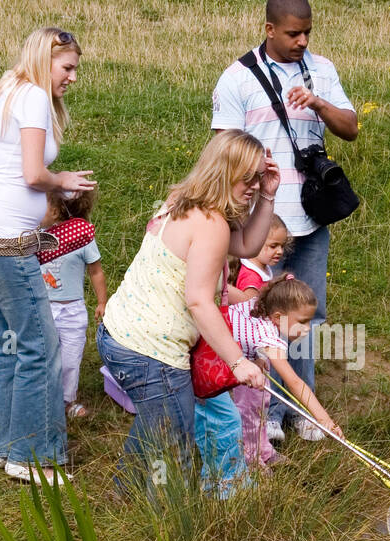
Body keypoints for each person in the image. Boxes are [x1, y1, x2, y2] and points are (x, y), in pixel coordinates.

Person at [211, 0, 358, 446]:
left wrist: (317, 103)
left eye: (308, 33)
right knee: (257, 317)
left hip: (310, 219)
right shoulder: (236, 80)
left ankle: (303, 407)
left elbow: (350, 128)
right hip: (260, 223)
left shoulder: (322, 70)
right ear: (269, 29)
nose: (302, 42)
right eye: (293, 33)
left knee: (308, 316)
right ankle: (266, 410)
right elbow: (224, 151)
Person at [96, 129, 275, 488]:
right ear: (224, 172)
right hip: (152, 351)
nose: (254, 184)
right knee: (173, 447)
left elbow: (247, 244)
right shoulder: (211, 225)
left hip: (117, 334)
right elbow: (198, 300)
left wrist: (268, 196)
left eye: (258, 176)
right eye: (247, 177)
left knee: (154, 424)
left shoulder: (184, 200)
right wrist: (238, 362)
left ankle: (122, 494)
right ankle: (166, 527)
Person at [0, 27, 96, 485]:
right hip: (5, 245)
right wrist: (65, 181)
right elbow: (34, 174)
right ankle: (32, 457)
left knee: (10, 342)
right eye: (68, 67)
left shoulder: (7, 87)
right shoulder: (34, 95)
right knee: (41, 345)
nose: (73, 77)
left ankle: (1, 445)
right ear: (46, 60)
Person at [230, 276, 343, 469]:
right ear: (277, 317)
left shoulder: (261, 306)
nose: (307, 329)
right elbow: (294, 382)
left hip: (243, 361)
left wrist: (254, 358)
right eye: (302, 322)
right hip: (226, 367)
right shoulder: (268, 336)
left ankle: (263, 449)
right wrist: (325, 422)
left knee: (260, 404)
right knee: (248, 413)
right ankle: (251, 462)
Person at [39, 187, 107, 420]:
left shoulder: (81, 239)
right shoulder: (38, 236)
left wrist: (102, 301)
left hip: (72, 311)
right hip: (44, 308)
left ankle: (68, 401)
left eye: (42, 204)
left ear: (56, 212)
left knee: (70, 360)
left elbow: (96, 271)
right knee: (43, 356)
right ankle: (42, 399)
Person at [231, 214, 288, 302]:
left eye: (282, 246)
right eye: (273, 246)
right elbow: (251, 310)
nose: (280, 251)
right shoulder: (251, 277)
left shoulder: (262, 269)